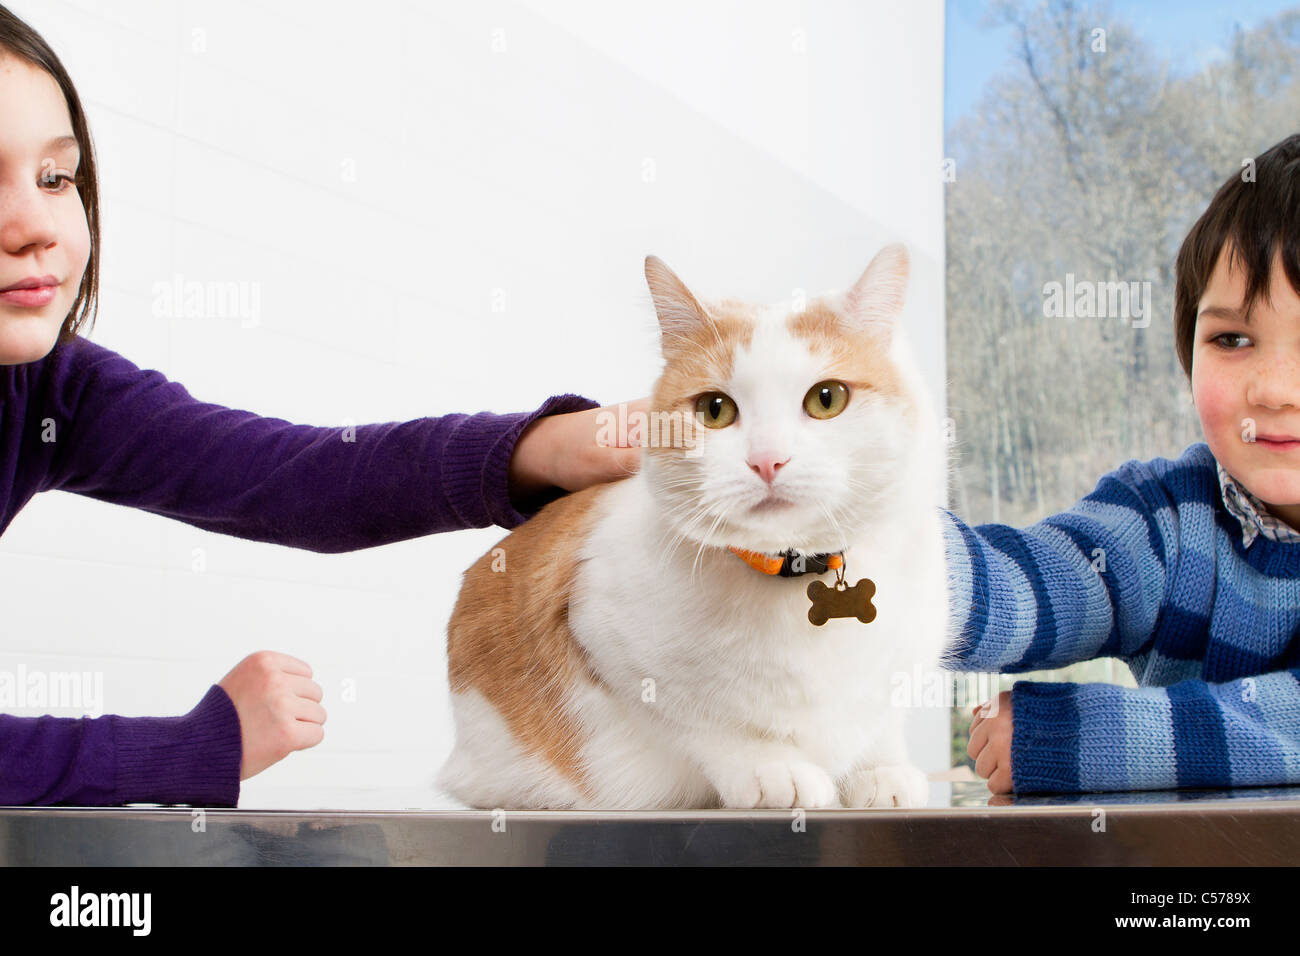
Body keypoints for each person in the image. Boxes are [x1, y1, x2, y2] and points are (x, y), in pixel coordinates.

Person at [0, 6, 643, 806]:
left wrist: (539, 449)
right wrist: (193, 747)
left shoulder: (53, 391)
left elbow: (289, 479)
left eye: (55, 177)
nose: (35, 226)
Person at [958, 133, 1300, 795]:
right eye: (1232, 338)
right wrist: (886, 565)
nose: (1275, 389)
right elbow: (1037, 581)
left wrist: (1076, 735)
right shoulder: (1169, 521)